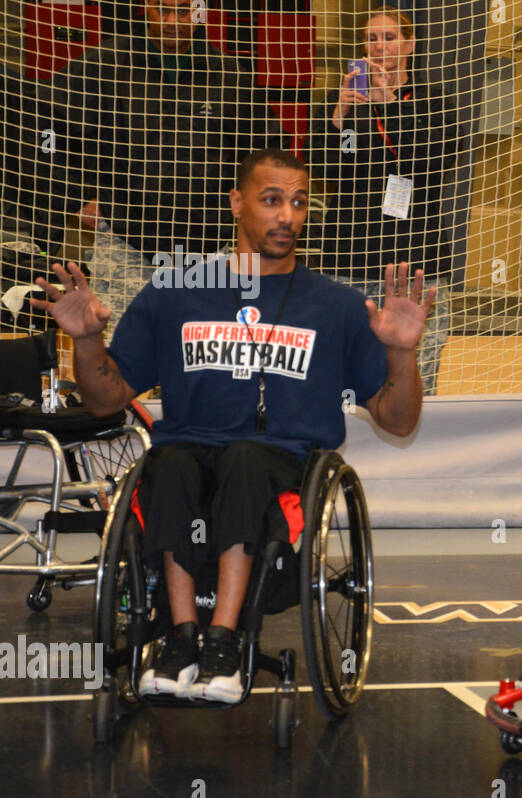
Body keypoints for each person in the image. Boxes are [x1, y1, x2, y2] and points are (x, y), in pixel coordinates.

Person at [31, 149, 434, 703]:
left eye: (298, 202)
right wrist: (86, 339)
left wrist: (401, 355)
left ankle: (224, 641)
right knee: (166, 462)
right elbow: (106, 401)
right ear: (236, 203)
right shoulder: (175, 292)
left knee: (245, 458)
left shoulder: (337, 306)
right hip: (190, 454)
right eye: (272, 201)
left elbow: (399, 418)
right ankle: (180, 638)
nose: (287, 216)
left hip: (283, 465)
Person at [49, 0, 286, 334]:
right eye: (163, 9)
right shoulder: (103, 64)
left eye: (184, 10)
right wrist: (73, 201)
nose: (173, 20)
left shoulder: (228, 73)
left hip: (209, 253)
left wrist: (249, 207)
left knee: (204, 367)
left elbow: (268, 151)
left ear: (199, 12)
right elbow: (46, 126)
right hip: (127, 248)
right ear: (146, 7)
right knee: (120, 366)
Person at [305, 6, 453, 392]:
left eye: (388, 38)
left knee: (414, 378)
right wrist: (340, 112)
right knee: (342, 378)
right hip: (349, 257)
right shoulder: (348, 105)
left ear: (409, 46)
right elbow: (322, 166)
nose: (379, 46)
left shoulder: (432, 102)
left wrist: (389, 105)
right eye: (371, 39)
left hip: (412, 262)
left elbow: (428, 165)